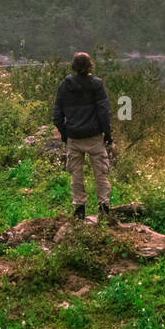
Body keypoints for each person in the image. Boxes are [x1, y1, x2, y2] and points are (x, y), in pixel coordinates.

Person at [51, 52, 115, 223]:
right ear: (90, 66)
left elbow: (57, 115)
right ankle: (103, 207)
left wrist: (65, 135)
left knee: (76, 175)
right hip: (94, 137)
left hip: (74, 138)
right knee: (101, 174)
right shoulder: (97, 85)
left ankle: (79, 209)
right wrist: (107, 135)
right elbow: (103, 113)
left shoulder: (65, 86)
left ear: (73, 66)